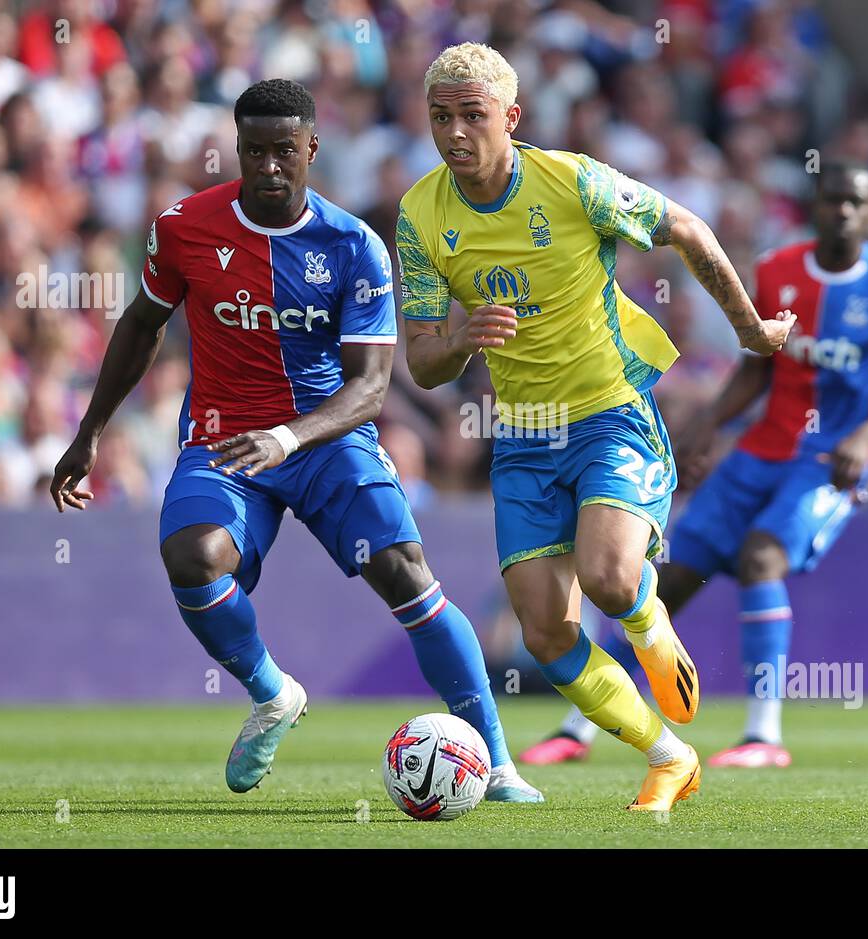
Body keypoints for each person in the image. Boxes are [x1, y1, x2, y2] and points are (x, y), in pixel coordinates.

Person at [50, 79, 541, 803]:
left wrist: (288, 437)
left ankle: (497, 763)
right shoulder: (183, 227)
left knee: (406, 571)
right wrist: (90, 432)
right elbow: (141, 326)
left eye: (285, 151)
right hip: (222, 439)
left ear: (311, 147)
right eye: (254, 151)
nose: (269, 167)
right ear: (237, 150)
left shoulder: (353, 246)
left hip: (326, 438)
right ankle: (273, 692)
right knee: (191, 557)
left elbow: (371, 387)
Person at [397, 43, 793, 811]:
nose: (453, 133)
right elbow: (423, 362)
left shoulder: (573, 181)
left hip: (611, 412)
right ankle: (669, 754)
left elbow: (686, 227)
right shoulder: (419, 215)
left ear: (510, 118)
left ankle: (649, 620)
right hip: (522, 435)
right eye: (440, 116)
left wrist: (748, 329)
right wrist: (459, 337)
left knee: (611, 578)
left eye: (472, 116)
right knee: (546, 633)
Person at [522, 161, 868, 769]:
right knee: (665, 579)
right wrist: (710, 423)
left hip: (829, 464)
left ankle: (763, 736)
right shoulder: (777, 270)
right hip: (760, 450)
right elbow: (758, 366)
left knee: (760, 558)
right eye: (833, 199)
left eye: (856, 203)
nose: (843, 211)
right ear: (815, 204)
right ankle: (578, 729)